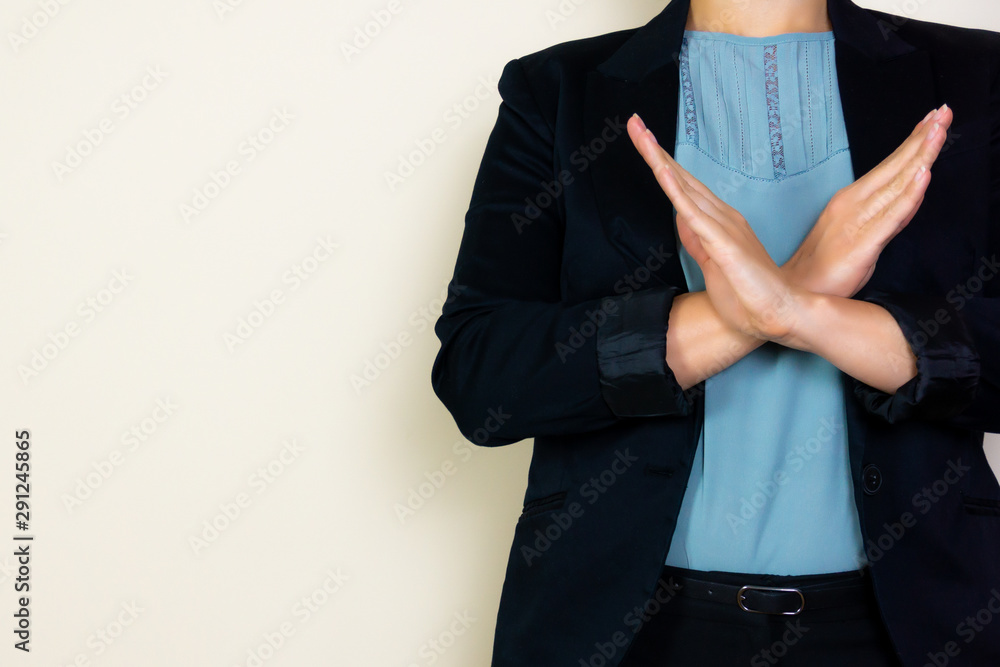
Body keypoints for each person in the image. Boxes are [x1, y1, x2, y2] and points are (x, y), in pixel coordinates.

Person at [430, 0, 1000, 664]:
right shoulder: (556, 90)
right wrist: (758, 306)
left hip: (914, 627)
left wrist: (800, 310)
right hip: (628, 630)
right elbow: (480, 372)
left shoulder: (975, 77)